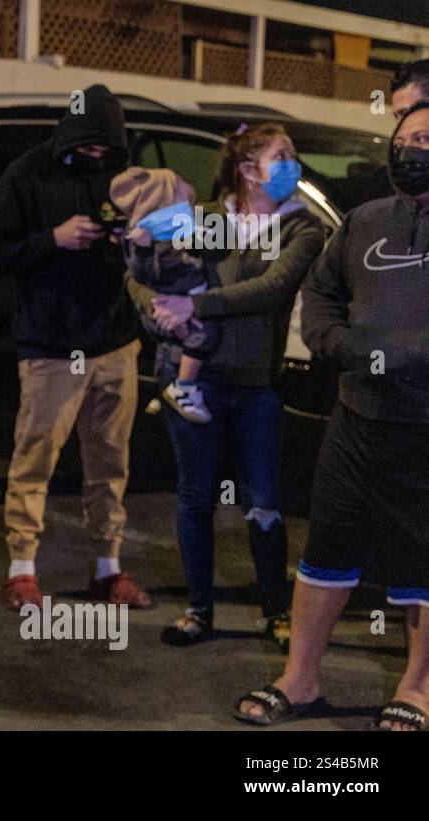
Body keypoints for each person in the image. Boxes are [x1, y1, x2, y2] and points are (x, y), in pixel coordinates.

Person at [235, 103, 429, 730]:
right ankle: (301, 679)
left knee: (423, 560)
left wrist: (411, 356)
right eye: (405, 139)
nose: (413, 149)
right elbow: (320, 292)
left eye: (426, 138)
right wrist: (342, 344)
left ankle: (420, 690)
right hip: (357, 417)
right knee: (327, 547)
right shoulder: (365, 221)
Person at [127, 123, 324, 648]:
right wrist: (158, 312)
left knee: (264, 502)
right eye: (281, 155)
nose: (293, 164)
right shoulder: (202, 218)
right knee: (195, 499)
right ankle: (198, 611)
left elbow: (271, 289)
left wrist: (196, 304)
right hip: (192, 380)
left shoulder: (302, 228)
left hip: (256, 386)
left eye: (293, 155)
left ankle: (275, 612)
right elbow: (138, 265)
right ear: (246, 170)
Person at [0, 84, 150, 611]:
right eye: (89, 147)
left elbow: (161, 251)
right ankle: (22, 569)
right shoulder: (29, 173)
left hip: (115, 341)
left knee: (110, 462)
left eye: (107, 149)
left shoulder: (128, 179)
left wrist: (137, 244)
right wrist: (51, 239)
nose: (97, 158)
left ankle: (108, 568)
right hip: (51, 345)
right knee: (34, 459)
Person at [111, 167, 219, 424]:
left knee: (183, 343)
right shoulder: (145, 236)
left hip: (187, 295)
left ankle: (164, 390)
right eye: (181, 197)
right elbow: (141, 274)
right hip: (170, 304)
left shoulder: (178, 225)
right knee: (204, 334)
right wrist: (143, 247)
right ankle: (181, 386)